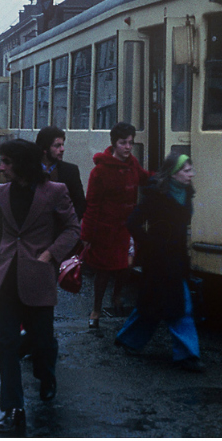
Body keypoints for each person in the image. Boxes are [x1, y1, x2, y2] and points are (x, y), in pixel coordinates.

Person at [0, 139, 80, 436]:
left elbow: (72, 228)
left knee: (42, 341)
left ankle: (46, 375)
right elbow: (3, 223)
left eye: (7, 162)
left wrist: (51, 254)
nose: (1, 167)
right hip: (6, 279)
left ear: (22, 164)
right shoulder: (1, 192)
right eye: (1, 161)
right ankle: (13, 410)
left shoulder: (54, 191)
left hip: (38, 275)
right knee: (6, 345)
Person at [115, 152, 204, 372]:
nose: (191, 174)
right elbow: (133, 222)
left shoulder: (185, 194)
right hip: (158, 260)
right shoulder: (156, 195)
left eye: (190, 169)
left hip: (176, 260)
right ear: (174, 174)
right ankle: (187, 354)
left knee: (152, 306)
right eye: (186, 170)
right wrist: (150, 243)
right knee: (179, 307)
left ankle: (128, 339)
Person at [80, 121, 149, 328]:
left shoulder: (132, 164)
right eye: (123, 143)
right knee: (104, 271)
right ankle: (96, 310)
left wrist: (165, 178)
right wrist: (87, 235)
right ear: (114, 144)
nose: (128, 147)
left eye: (130, 142)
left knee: (127, 266)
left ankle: (117, 296)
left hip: (126, 228)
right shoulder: (100, 172)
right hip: (106, 229)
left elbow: (145, 178)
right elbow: (92, 204)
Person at [36, 126, 86, 220]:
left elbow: (80, 204)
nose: (62, 149)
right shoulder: (30, 170)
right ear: (45, 148)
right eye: (57, 146)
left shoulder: (70, 171)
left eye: (62, 145)